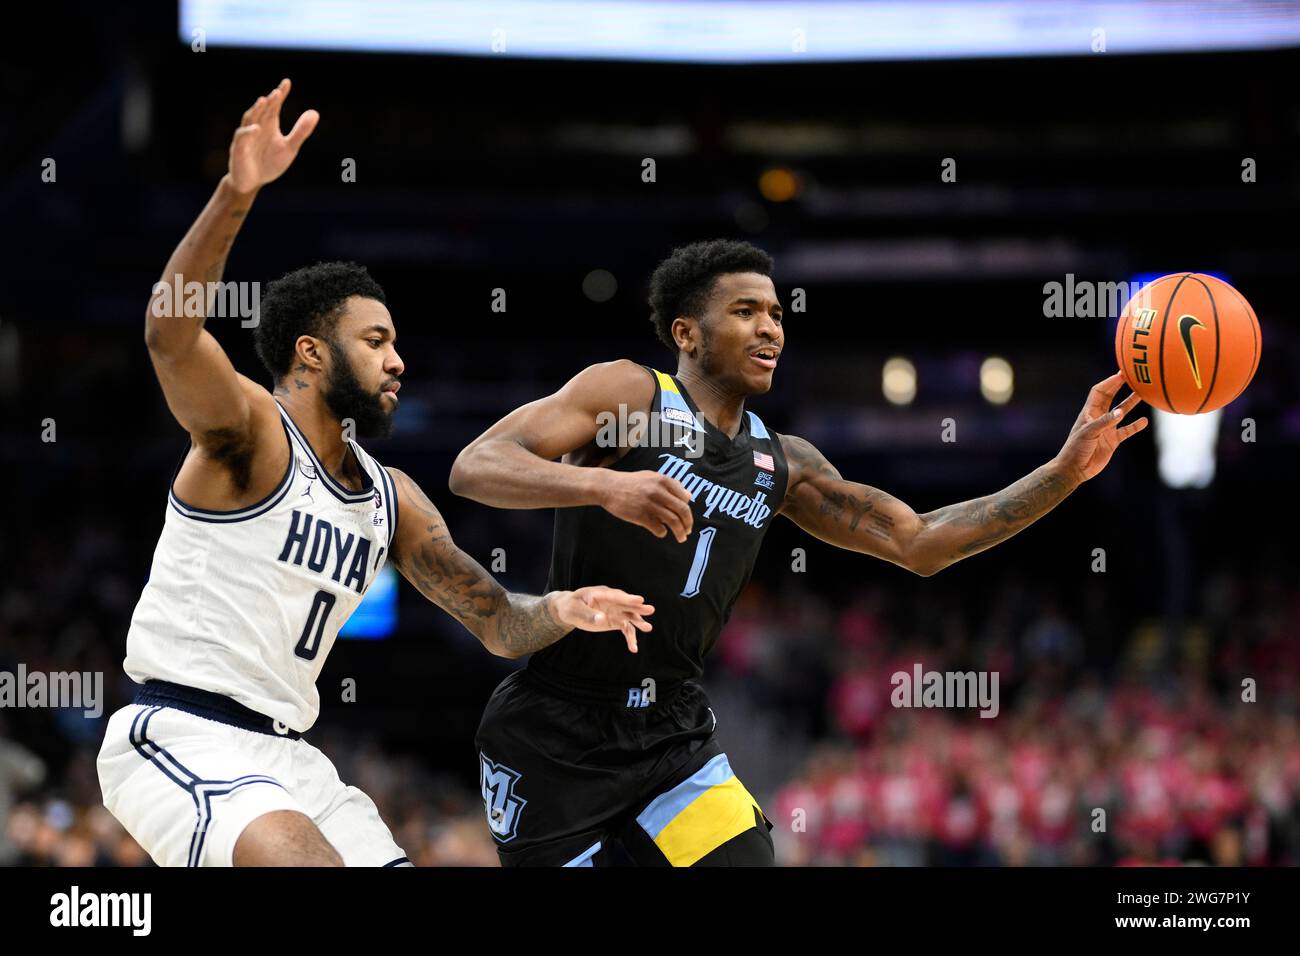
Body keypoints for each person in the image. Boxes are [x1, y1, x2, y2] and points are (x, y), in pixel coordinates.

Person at [95, 79, 652, 868]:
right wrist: (234, 193)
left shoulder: (391, 497)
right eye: (377, 341)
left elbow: (494, 620)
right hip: (182, 731)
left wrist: (564, 607)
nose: (399, 361)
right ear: (312, 352)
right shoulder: (250, 435)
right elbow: (168, 334)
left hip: (291, 757)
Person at [451, 238, 1146, 866]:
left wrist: (1062, 474)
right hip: (555, 733)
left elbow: (922, 542)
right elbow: (477, 465)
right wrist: (602, 484)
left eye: (777, 314)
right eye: (747, 311)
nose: (770, 328)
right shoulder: (630, 395)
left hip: (671, 734)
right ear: (687, 333)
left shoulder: (782, 461)